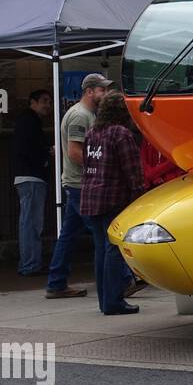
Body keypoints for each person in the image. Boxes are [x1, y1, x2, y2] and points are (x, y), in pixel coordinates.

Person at [44, 73, 110, 299]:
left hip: (77, 184)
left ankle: (56, 282)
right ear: (89, 91)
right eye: (102, 90)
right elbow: (74, 152)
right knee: (103, 234)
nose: (106, 94)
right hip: (80, 185)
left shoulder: (85, 114)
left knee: (69, 236)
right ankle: (119, 282)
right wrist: (99, 169)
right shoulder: (80, 116)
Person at [79, 92, 145, 316]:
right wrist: (139, 195)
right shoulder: (121, 134)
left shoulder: (92, 134)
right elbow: (132, 170)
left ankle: (104, 301)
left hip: (90, 197)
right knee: (114, 249)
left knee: (101, 250)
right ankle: (114, 301)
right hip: (113, 197)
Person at [11, 89, 52, 276]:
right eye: (44, 101)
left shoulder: (25, 121)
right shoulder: (30, 122)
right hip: (32, 176)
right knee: (31, 223)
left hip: (26, 176)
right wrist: (46, 155)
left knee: (29, 222)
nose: (48, 106)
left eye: (49, 102)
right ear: (32, 102)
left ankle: (30, 262)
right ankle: (30, 264)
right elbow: (28, 149)